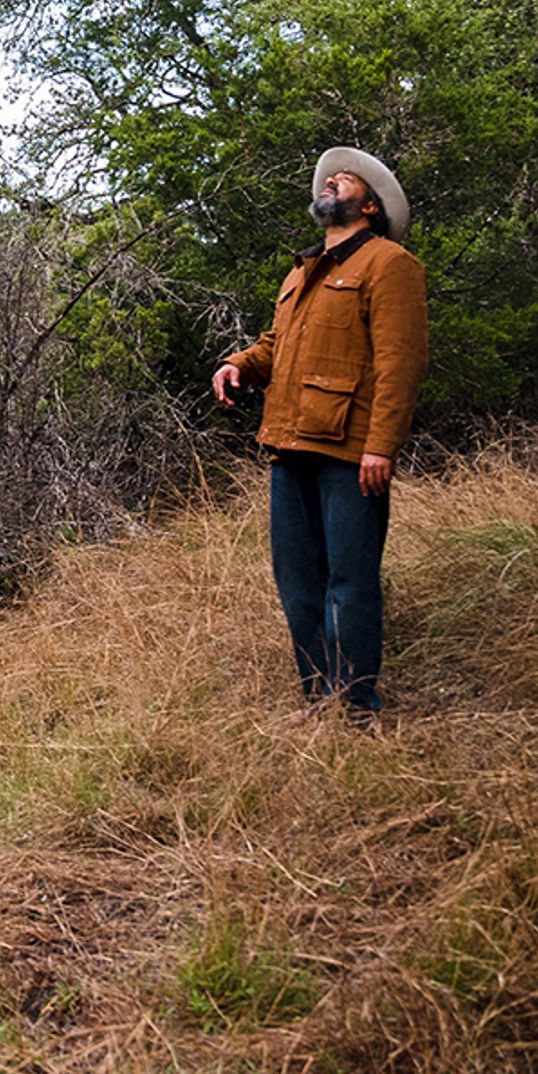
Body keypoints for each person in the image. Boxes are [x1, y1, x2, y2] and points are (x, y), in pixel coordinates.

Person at [212, 148, 427, 721]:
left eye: (346, 180)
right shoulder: (302, 269)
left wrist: (381, 444)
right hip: (289, 444)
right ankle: (320, 698)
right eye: (329, 179)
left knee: (350, 582)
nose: (331, 181)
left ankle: (358, 707)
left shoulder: (390, 264)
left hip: (350, 452)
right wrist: (240, 364)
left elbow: (400, 363)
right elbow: (276, 346)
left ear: (372, 207)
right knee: (299, 583)